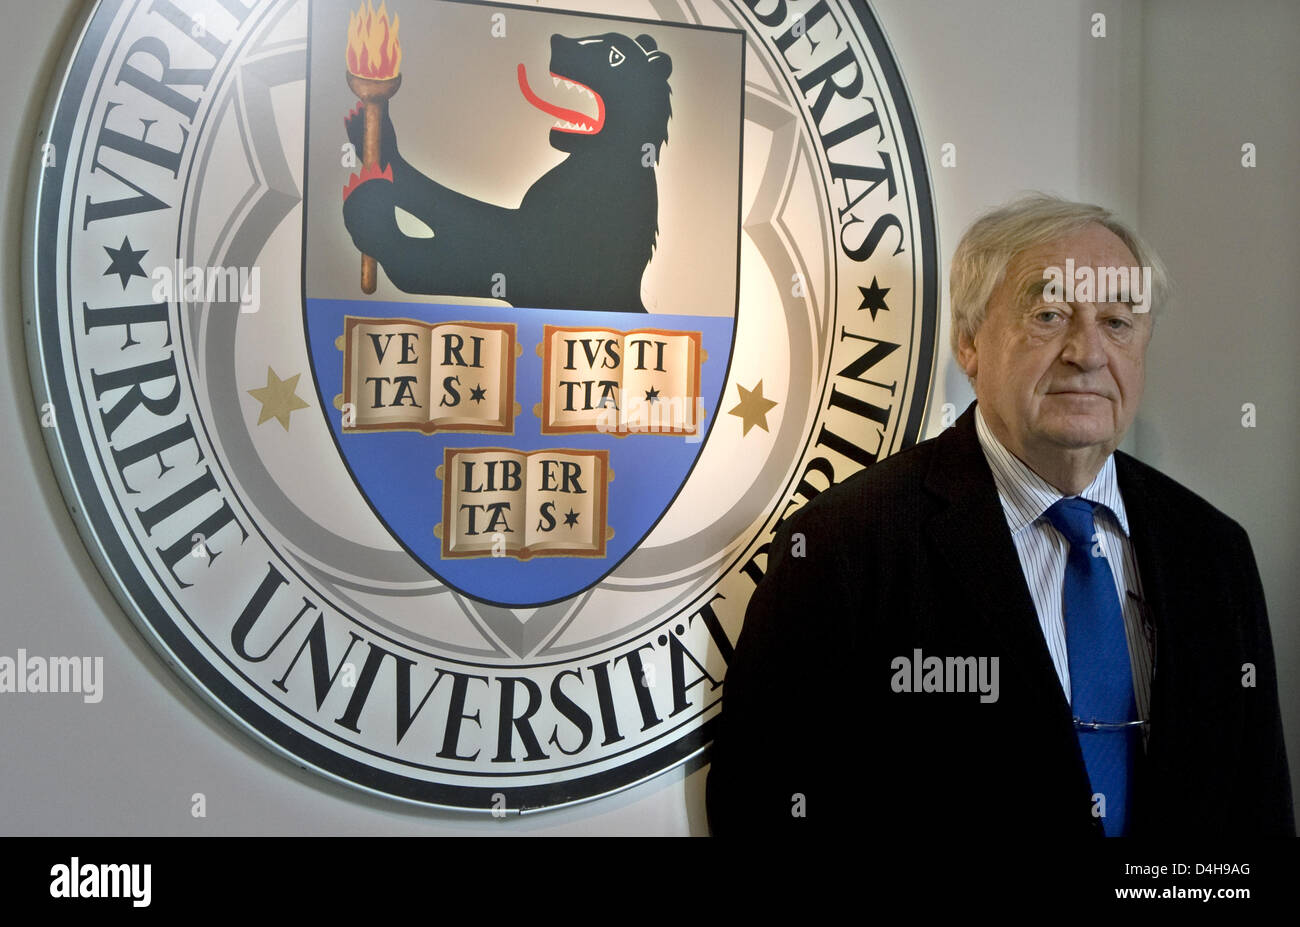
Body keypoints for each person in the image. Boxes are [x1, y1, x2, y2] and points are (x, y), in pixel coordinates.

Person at [706, 194, 1294, 836]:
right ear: (969, 342)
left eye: (1118, 323)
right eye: (1049, 315)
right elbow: (761, 807)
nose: (1088, 354)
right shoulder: (843, 545)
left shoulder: (1212, 552)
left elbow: (1255, 811)